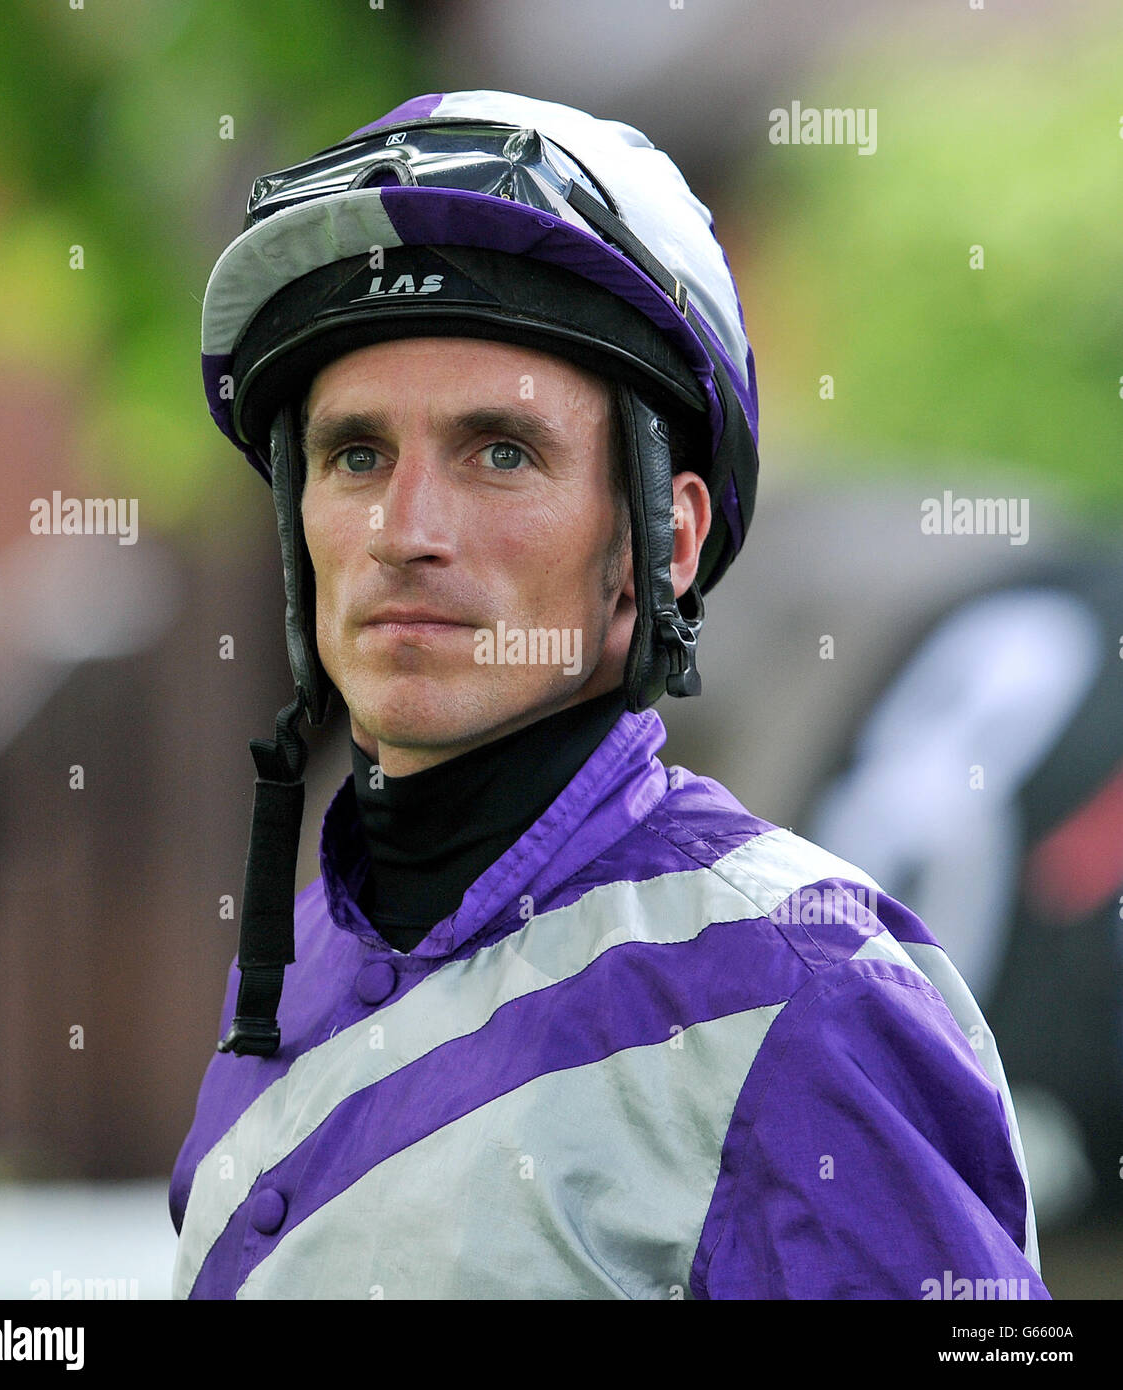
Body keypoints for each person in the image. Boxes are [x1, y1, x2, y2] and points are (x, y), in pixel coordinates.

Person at [169, 90, 1049, 1300]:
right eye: (355, 454)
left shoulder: (810, 988)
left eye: (500, 452)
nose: (402, 531)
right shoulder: (288, 965)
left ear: (659, 545)